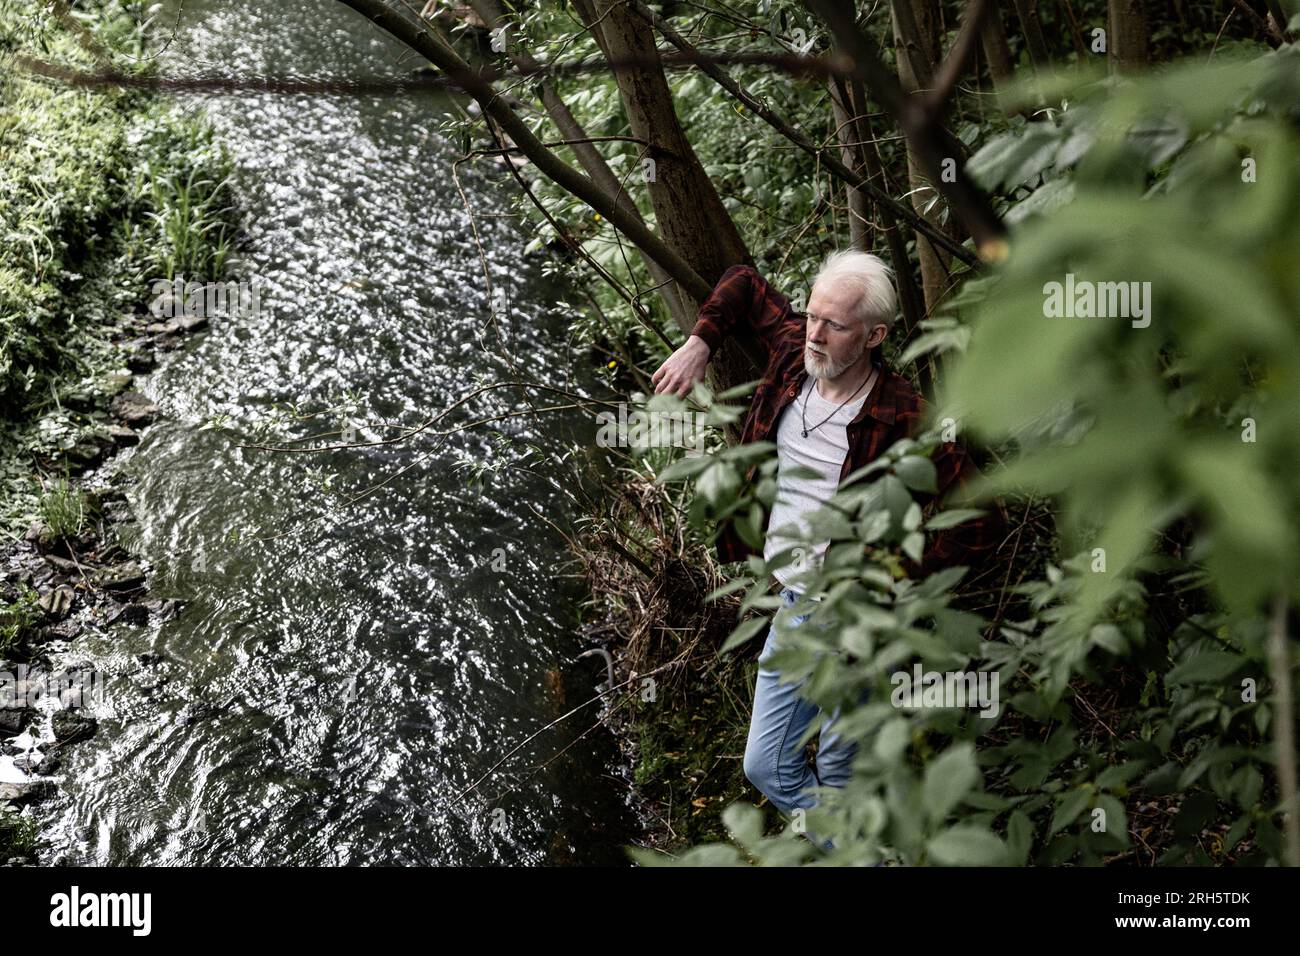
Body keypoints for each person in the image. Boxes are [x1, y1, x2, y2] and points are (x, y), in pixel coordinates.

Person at [650, 250, 1006, 854]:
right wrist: (700, 343)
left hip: (860, 614)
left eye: (835, 325)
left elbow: (982, 521)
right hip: (796, 601)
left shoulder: (904, 415)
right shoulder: (795, 354)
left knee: (809, 769)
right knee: (784, 767)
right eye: (812, 315)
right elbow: (740, 279)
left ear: (875, 335)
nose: (815, 332)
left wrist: (895, 576)